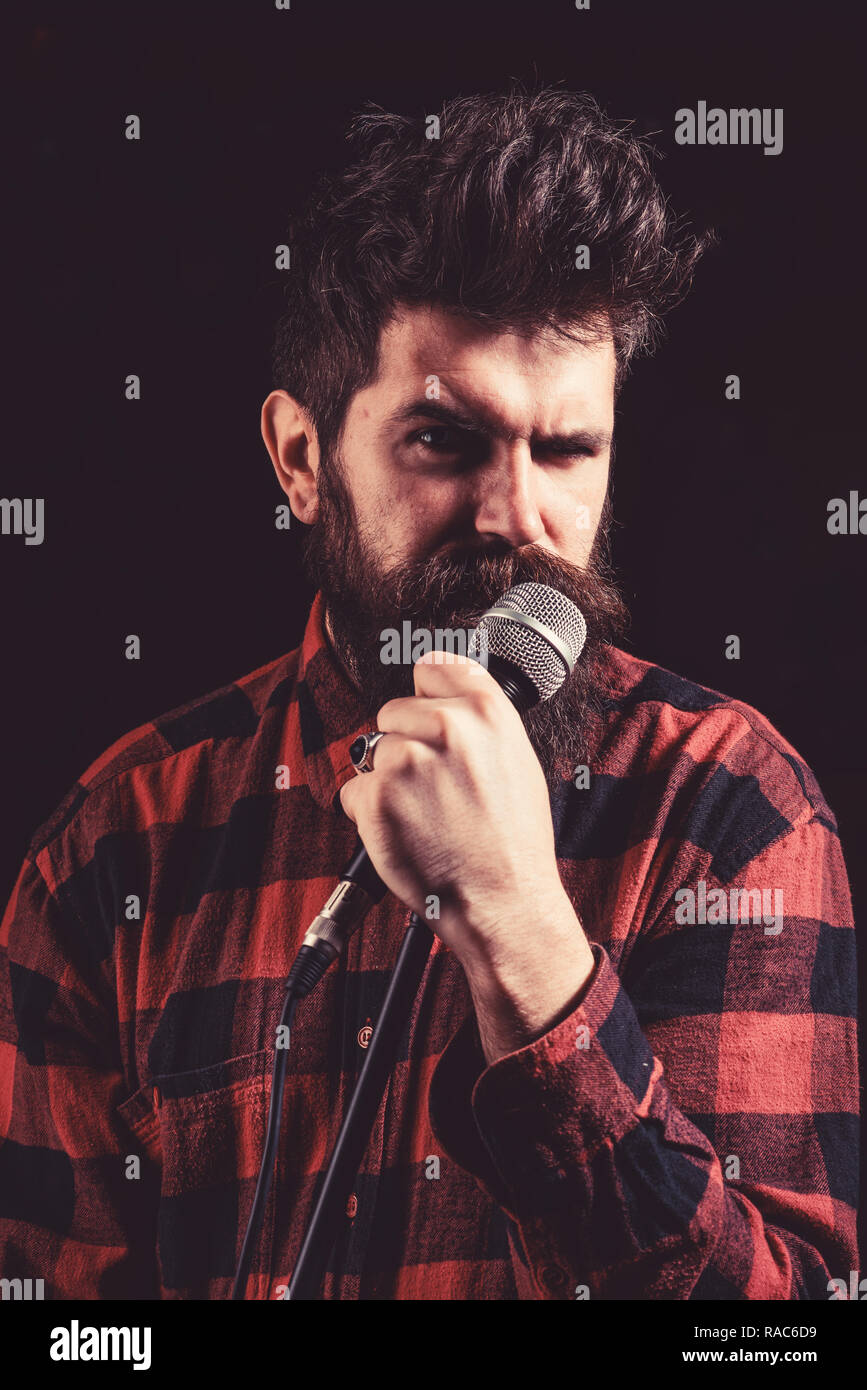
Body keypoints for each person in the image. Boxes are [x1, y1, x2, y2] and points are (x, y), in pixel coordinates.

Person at [0, 88, 857, 1300]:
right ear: (302, 460)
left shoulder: (728, 811)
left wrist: (525, 934)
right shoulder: (116, 847)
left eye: (566, 452)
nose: (518, 516)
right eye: (445, 442)